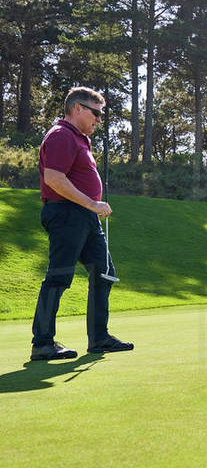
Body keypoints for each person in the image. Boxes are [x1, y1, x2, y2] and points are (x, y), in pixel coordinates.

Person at [30, 87, 134, 360]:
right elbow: (54, 178)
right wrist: (91, 203)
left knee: (104, 272)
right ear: (77, 109)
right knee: (59, 276)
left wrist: (91, 207)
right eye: (96, 113)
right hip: (66, 215)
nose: (99, 120)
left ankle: (99, 338)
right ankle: (42, 343)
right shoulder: (62, 135)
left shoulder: (79, 140)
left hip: (85, 217)